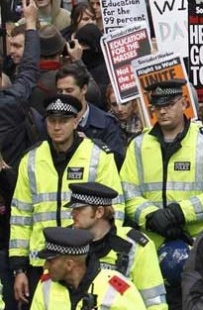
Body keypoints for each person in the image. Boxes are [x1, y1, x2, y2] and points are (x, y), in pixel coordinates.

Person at [120, 80, 203, 308]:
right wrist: (151, 217)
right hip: (152, 247)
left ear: (183, 103)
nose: (162, 111)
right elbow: (128, 194)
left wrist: (177, 213)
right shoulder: (138, 144)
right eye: (157, 106)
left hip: (197, 245)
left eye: (169, 104)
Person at [11, 94, 124, 306]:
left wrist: (103, 254)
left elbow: (114, 209)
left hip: (84, 262)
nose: (57, 126)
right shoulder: (31, 159)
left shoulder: (97, 155)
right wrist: (19, 268)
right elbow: (20, 215)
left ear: (75, 122)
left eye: (63, 120)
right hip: (42, 262)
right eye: (52, 120)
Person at [68, 182, 166, 310]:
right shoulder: (66, 242)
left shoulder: (136, 246)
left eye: (79, 209)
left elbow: (154, 303)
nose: (72, 214)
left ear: (99, 212)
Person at [30, 226, 146, 309]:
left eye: (50, 261)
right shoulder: (46, 284)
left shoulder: (116, 288)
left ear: (69, 264)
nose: (45, 266)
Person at [55, 63, 126, 162]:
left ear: (84, 89)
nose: (63, 95)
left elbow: (118, 161)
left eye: (69, 90)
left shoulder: (106, 123)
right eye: (60, 91)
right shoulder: (51, 123)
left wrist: (92, 146)